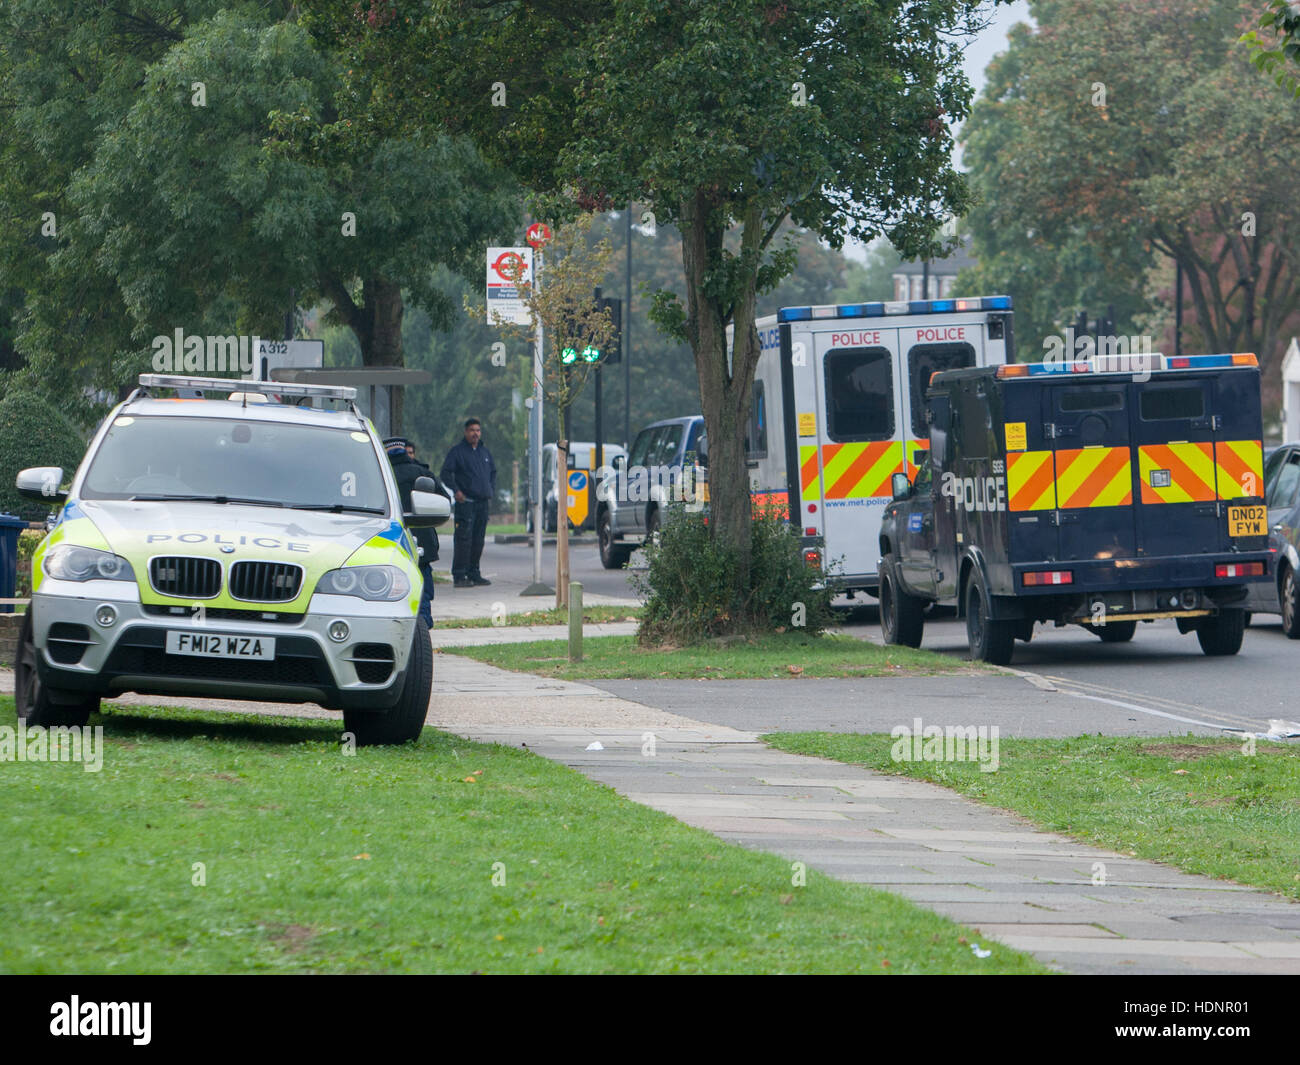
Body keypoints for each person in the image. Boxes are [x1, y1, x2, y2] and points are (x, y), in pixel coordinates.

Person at [384, 436, 443, 625]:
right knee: (423, 592)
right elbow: (442, 500)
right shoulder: (423, 474)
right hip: (423, 542)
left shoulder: (382, 475)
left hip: (388, 541)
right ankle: (423, 629)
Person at [440, 417, 496, 588]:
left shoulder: (484, 452)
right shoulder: (457, 452)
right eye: (472, 430)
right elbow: (446, 473)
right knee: (464, 539)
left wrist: (490, 490)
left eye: (478, 430)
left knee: (478, 540)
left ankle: (474, 573)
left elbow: (493, 472)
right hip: (466, 503)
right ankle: (459, 575)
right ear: (466, 432)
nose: (475, 433)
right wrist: (456, 491)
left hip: (482, 503)